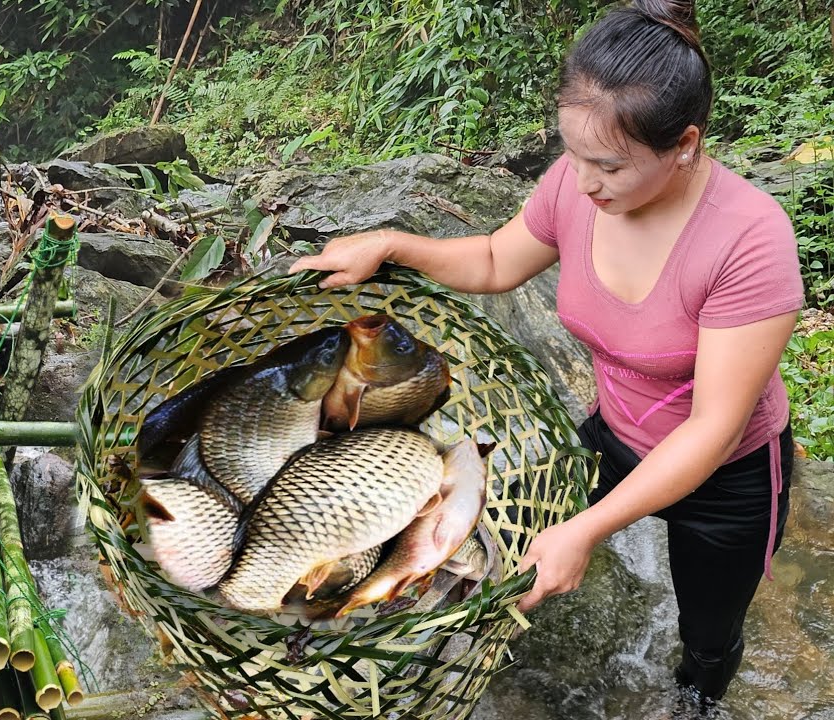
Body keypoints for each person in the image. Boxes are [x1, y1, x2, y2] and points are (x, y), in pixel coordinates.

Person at [289, 0, 802, 708]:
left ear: (684, 144)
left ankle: (695, 700)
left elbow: (712, 429)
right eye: (573, 154)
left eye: (610, 167)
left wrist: (587, 530)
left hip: (726, 479)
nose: (585, 183)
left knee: (708, 638)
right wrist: (394, 244)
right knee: (480, 544)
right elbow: (498, 258)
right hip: (612, 436)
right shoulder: (575, 184)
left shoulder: (749, 240)